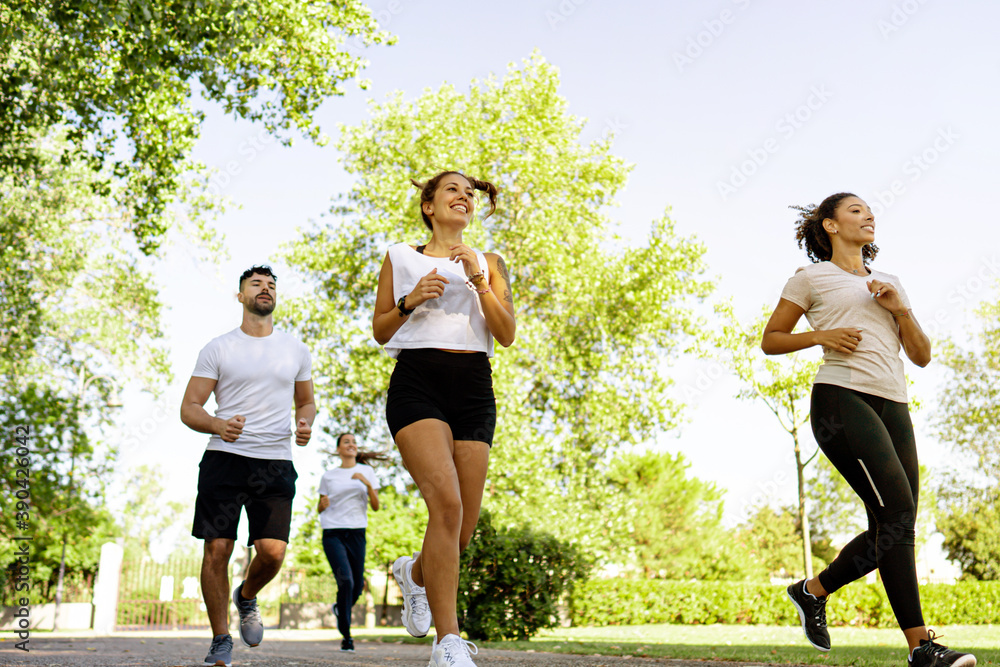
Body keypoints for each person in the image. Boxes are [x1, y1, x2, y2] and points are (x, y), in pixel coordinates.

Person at [762, 193, 975, 667]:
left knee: (896, 525)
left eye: (870, 211)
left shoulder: (889, 282)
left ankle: (812, 590)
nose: (869, 215)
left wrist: (900, 310)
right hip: (842, 398)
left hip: (894, 404)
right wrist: (820, 335)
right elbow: (770, 340)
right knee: (897, 514)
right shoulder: (810, 278)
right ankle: (922, 649)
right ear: (830, 225)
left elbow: (921, 356)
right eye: (856, 210)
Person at [371, 171, 515, 667]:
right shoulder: (400, 256)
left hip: (474, 388)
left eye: (469, 193)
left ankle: (413, 574)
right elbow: (380, 329)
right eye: (452, 189)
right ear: (428, 206)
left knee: (461, 531)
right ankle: (447, 643)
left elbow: (506, 333)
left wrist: (479, 280)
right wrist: (410, 300)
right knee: (446, 505)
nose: (464, 196)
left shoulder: (489, 261)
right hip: (418, 383)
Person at [180, 265, 315, 667]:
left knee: (273, 554)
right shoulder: (219, 348)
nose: (265, 288)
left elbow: (306, 401)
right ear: (241, 296)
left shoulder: (295, 349)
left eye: (271, 284)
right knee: (217, 548)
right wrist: (218, 424)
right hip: (225, 459)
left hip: (275, 461)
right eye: (256, 283)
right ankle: (220, 638)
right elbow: (189, 407)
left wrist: (304, 422)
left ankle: (247, 595)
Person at [316, 433, 384, 653]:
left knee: (357, 586)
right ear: (338, 449)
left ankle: (339, 608)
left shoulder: (367, 472)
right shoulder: (329, 476)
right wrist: (321, 506)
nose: (351, 444)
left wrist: (367, 484)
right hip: (332, 532)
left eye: (354, 442)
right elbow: (320, 506)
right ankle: (347, 636)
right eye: (346, 442)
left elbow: (376, 506)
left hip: (357, 532)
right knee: (345, 581)